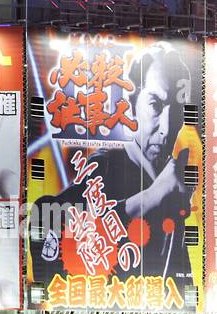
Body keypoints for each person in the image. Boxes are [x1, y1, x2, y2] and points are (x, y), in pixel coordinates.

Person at [30, 42, 198, 296]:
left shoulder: (176, 183)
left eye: (176, 111)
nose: (166, 127)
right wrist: (150, 197)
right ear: (132, 104)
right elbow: (44, 219)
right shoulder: (106, 166)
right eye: (155, 105)